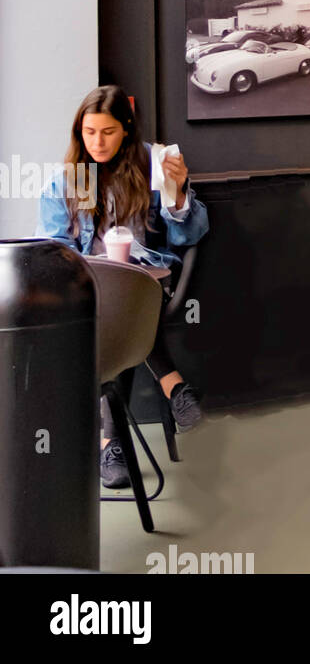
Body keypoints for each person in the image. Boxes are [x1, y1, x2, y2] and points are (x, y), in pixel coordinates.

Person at [37, 86, 209, 489]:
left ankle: (109, 441)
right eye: (89, 132)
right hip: (94, 287)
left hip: (146, 283)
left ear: (126, 131)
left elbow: (191, 234)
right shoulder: (68, 182)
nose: (97, 142)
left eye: (108, 132)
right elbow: (54, 250)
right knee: (114, 312)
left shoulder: (154, 164)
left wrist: (179, 194)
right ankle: (176, 389)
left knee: (125, 307)